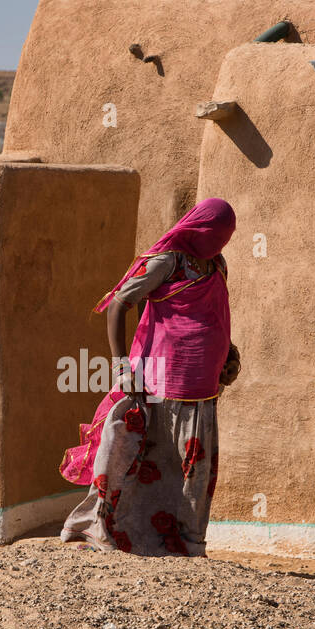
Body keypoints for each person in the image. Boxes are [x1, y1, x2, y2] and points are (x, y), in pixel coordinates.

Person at [60, 198, 241, 555]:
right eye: (214, 235)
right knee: (125, 452)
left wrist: (228, 351)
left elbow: (213, 313)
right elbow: (118, 304)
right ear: (197, 229)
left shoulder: (216, 264)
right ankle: (96, 525)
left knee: (192, 470)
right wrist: (120, 365)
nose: (219, 244)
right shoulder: (167, 262)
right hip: (156, 379)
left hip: (202, 388)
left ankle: (184, 544)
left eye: (225, 237)